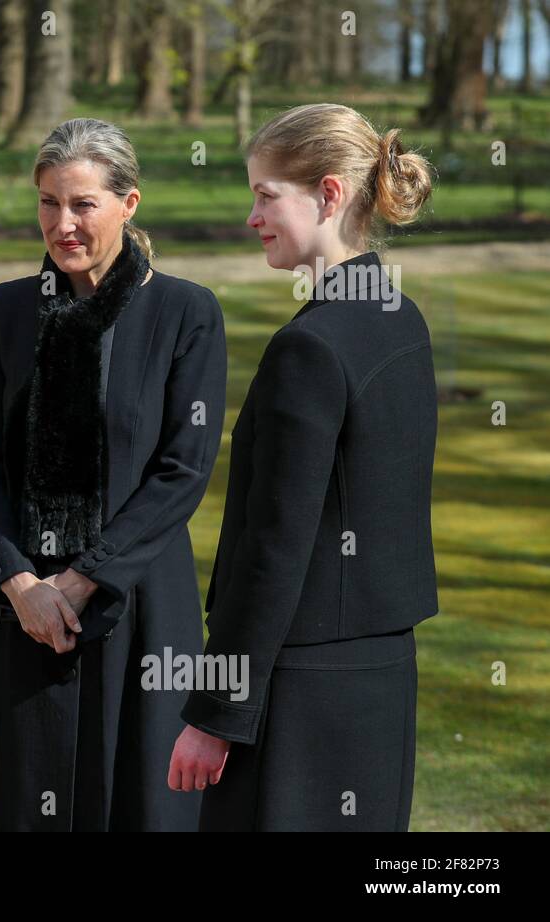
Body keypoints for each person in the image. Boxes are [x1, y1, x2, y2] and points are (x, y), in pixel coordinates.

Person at [169, 103, 438, 831]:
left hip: (298, 693)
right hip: (381, 679)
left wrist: (217, 713)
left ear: (327, 194)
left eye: (265, 195)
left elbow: (275, 549)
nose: (251, 216)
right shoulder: (400, 316)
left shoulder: (310, 348)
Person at [0, 118, 227, 831]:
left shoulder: (185, 312)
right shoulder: (3, 313)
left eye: (82, 204)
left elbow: (182, 471)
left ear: (129, 203)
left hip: (138, 606)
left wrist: (82, 580)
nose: (62, 223)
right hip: (26, 610)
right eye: (48, 202)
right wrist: (20, 585)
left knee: (136, 803)